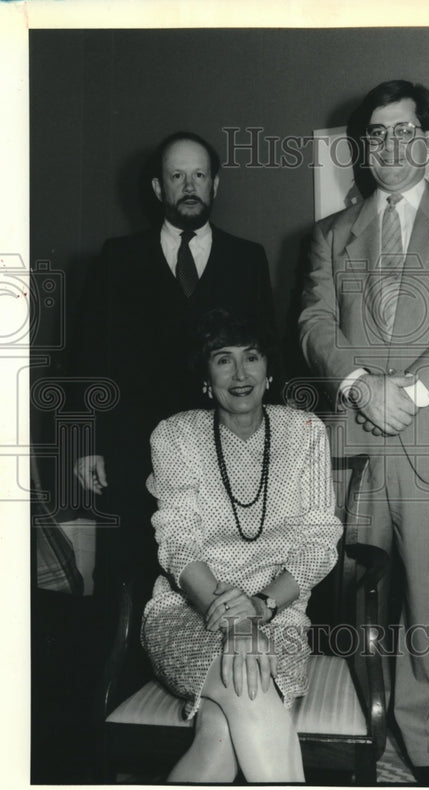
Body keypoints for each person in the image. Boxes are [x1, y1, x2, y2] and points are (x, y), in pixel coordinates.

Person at [299, 80, 429, 786]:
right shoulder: (331, 233)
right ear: (363, 147)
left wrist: (407, 394)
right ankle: (358, 736)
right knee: (348, 604)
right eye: (375, 134)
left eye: (402, 130)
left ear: (426, 137)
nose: (389, 146)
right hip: (351, 450)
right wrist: (359, 387)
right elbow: (315, 325)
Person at [72, 131, 275, 602]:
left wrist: (265, 448)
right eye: (177, 175)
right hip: (130, 449)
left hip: (221, 448)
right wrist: (87, 443)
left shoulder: (248, 258)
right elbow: (87, 353)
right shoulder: (117, 257)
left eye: (199, 175)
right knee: (127, 573)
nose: (189, 185)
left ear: (215, 186)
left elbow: (267, 357)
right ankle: (121, 677)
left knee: (215, 576)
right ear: (158, 188)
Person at [141, 309, 342, 783]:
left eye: (251, 357)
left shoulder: (305, 432)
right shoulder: (175, 435)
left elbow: (318, 542)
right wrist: (235, 622)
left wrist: (261, 607)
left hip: (279, 612)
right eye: (223, 360)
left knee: (221, 733)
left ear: (269, 370)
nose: (240, 374)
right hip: (188, 610)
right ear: (206, 377)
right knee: (250, 692)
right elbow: (178, 544)